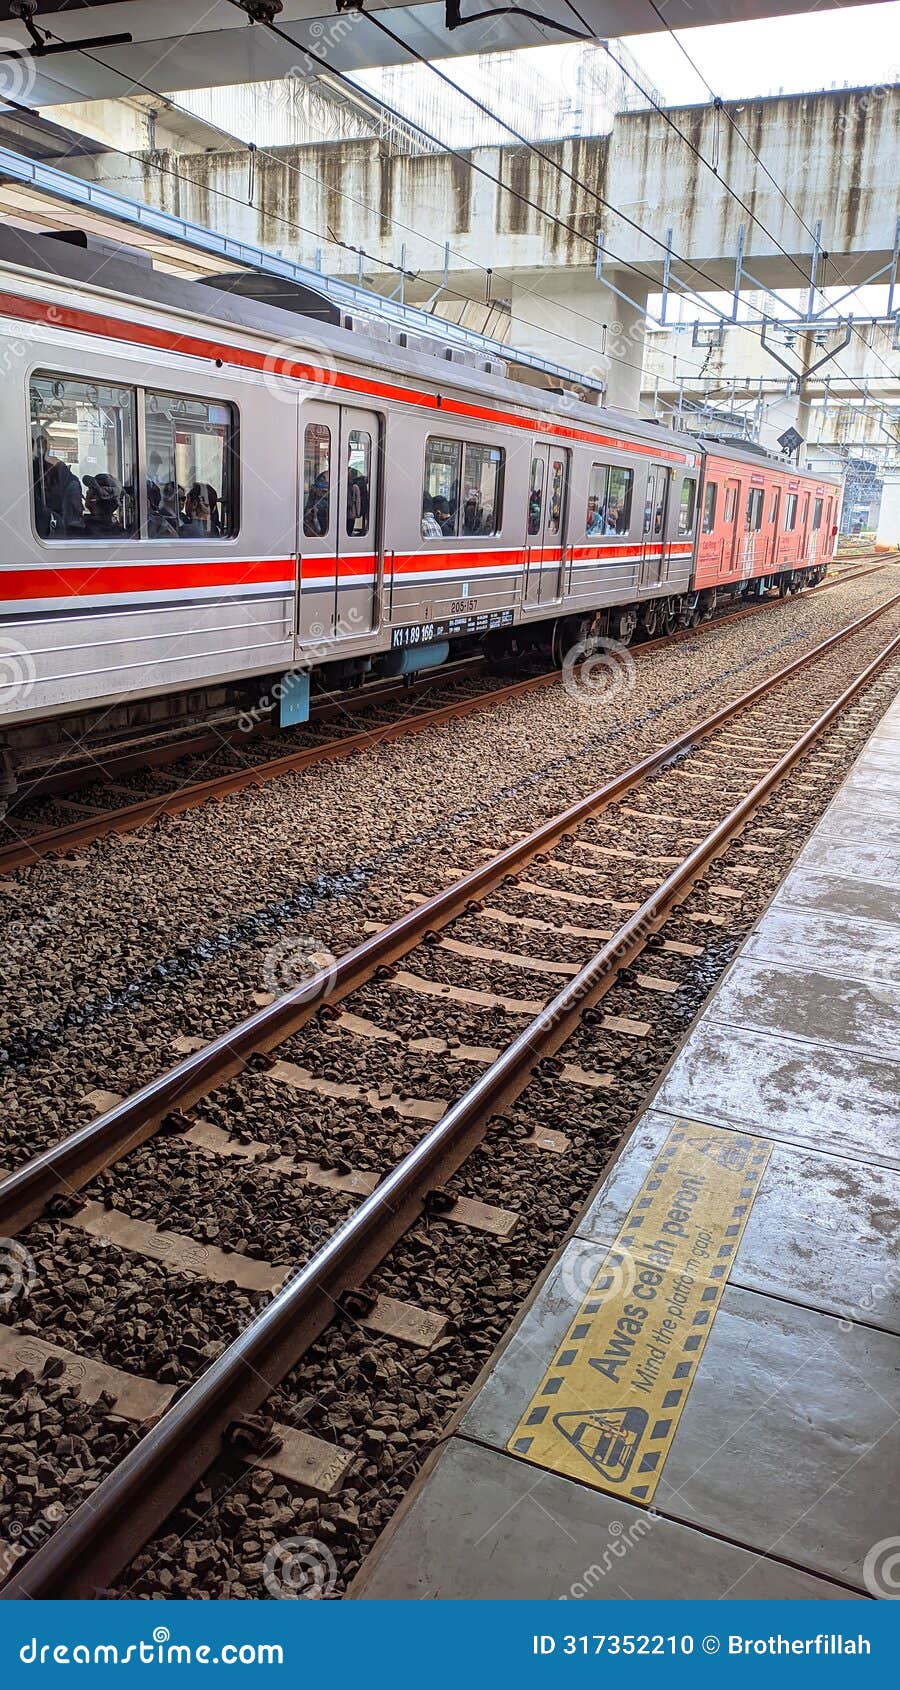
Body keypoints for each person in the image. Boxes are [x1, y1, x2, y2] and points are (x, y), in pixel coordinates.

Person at [304, 471, 330, 537]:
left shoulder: (330, 499)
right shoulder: (314, 497)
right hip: (317, 526)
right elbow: (307, 512)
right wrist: (312, 512)